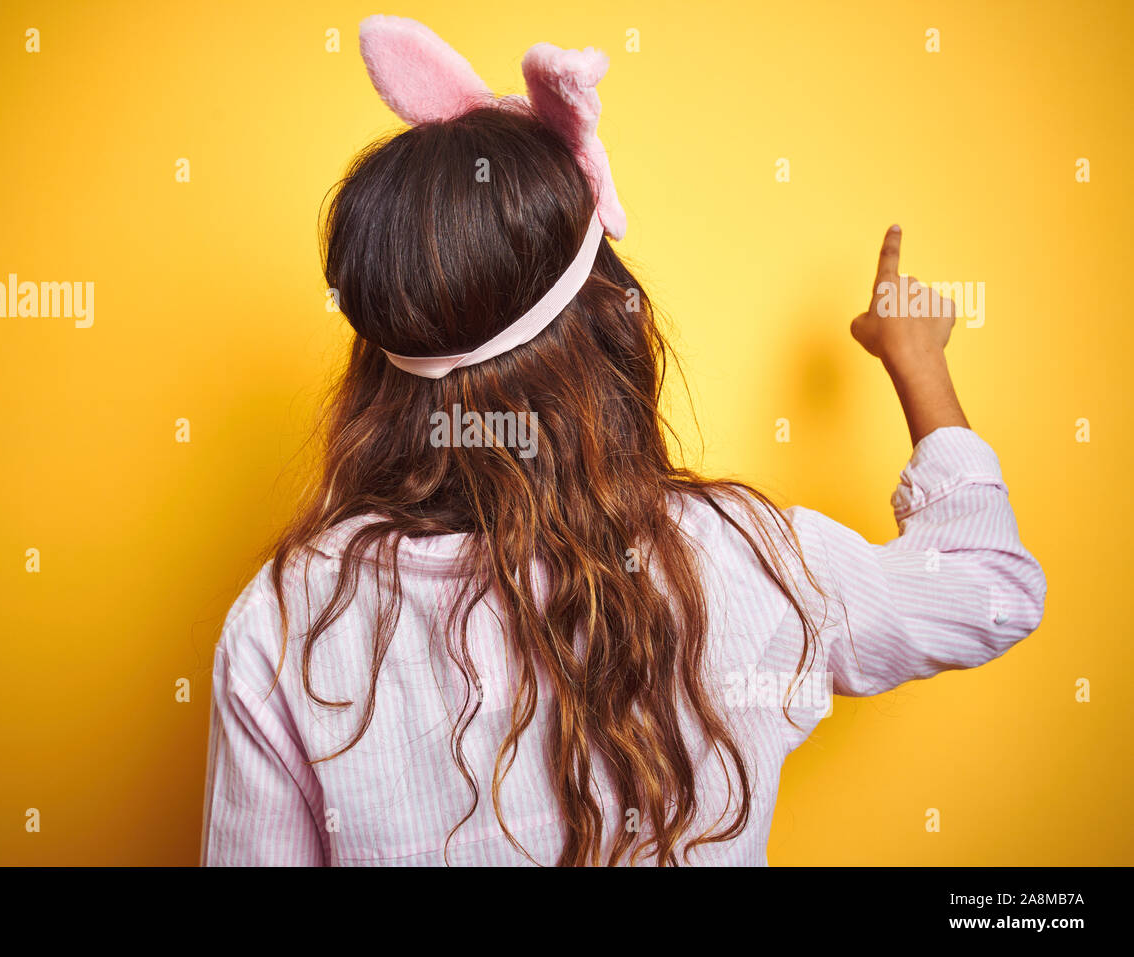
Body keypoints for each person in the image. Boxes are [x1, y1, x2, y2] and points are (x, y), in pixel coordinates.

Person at [200, 16, 1045, 866]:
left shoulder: (286, 625)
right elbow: (993, 588)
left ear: (378, 370)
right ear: (609, 327)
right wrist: (919, 364)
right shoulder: (744, 559)